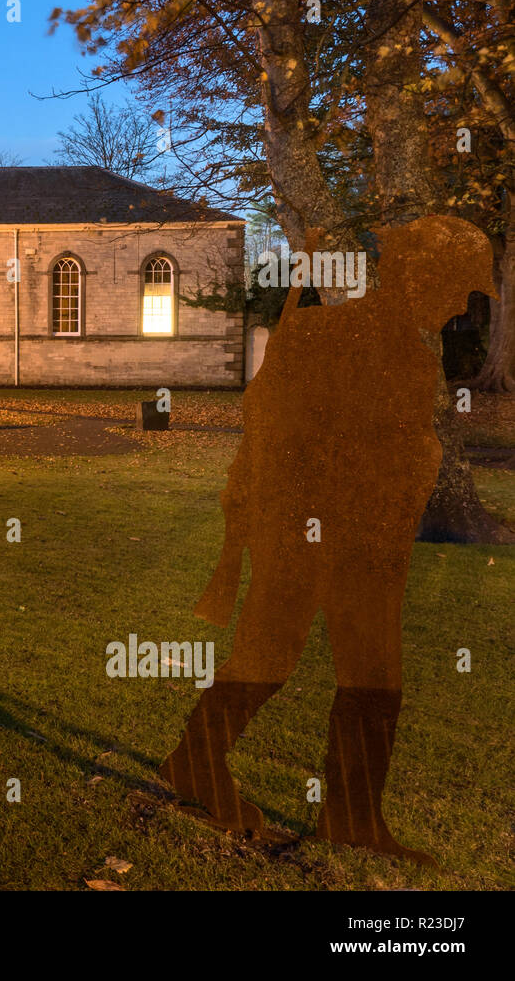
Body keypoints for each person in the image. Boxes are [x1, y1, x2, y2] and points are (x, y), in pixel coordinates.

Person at [160, 215, 495, 863]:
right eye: (458, 286)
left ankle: (353, 814)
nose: (461, 304)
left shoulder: (412, 357)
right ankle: (193, 763)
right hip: (304, 533)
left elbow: (397, 447)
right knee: (267, 657)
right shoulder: (321, 335)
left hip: (370, 545)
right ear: (419, 274)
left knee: (375, 675)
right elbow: (281, 434)